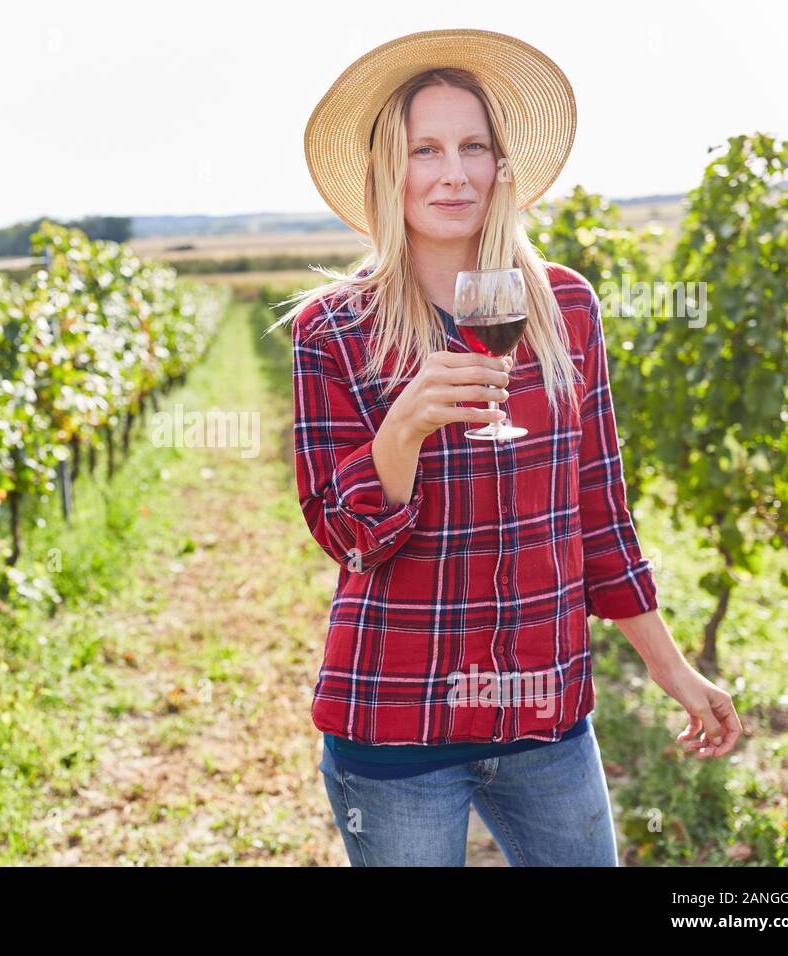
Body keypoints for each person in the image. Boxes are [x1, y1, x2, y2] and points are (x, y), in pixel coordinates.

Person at [270, 29, 742, 867]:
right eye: (426, 150)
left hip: (546, 713)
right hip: (396, 718)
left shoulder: (565, 307)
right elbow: (349, 539)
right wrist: (404, 429)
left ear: (501, 165)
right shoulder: (333, 331)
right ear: (389, 171)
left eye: (473, 147)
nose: (453, 173)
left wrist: (677, 672)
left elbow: (599, 514)